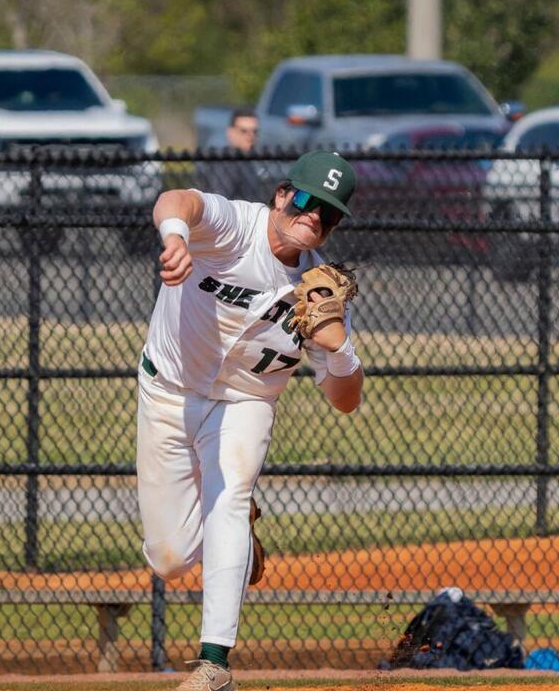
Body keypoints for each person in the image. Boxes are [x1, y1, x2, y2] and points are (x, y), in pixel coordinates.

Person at [136, 150, 364, 691]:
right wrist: (174, 237)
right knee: (168, 559)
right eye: (307, 200)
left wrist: (341, 350)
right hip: (168, 391)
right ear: (283, 195)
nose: (312, 216)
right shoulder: (237, 225)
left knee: (230, 499)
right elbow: (178, 200)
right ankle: (234, 543)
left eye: (328, 214)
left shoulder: (323, 290)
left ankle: (214, 665)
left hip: (246, 402)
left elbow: (345, 401)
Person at [197, 108, 268, 202]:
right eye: (243, 131)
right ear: (231, 133)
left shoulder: (248, 161)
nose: (250, 136)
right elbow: (220, 200)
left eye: (254, 131)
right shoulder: (226, 162)